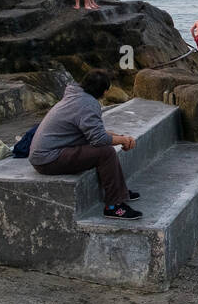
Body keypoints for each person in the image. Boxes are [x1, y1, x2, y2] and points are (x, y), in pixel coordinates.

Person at [29, 69, 143, 219]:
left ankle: (121, 192)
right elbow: (99, 140)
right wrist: (122, 140)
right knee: (106, 152)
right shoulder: (87, 104)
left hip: (47, 154)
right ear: (104, 91)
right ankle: (113, 206)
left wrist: (120, 137)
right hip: (48, 159)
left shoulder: (75, 96)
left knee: (105, 149)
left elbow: (93, 132)